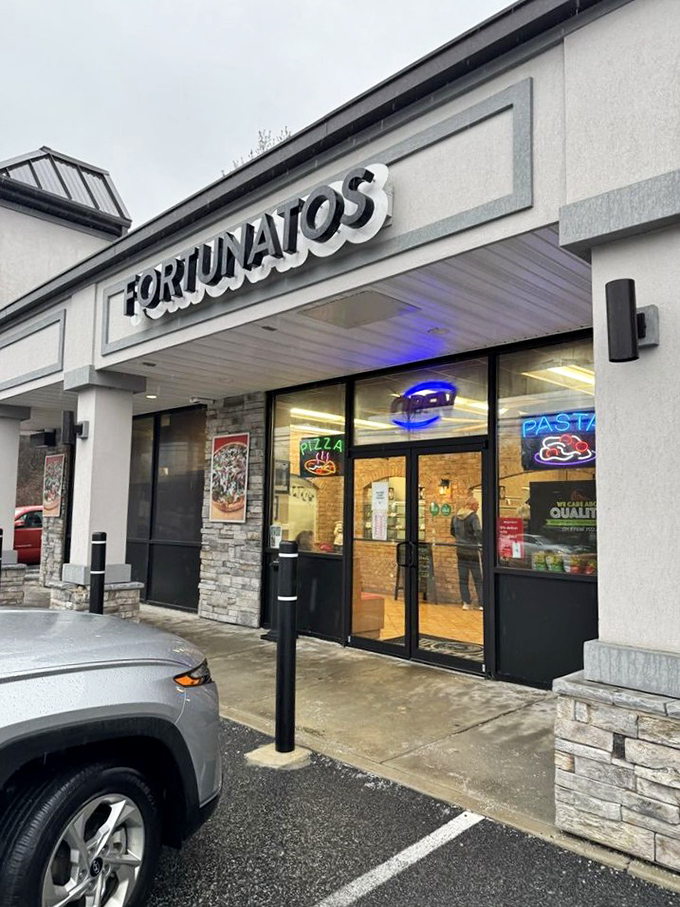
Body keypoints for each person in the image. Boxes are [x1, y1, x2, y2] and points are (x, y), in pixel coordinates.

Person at [450, 496, 483, 610]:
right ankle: (482, 603)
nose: (478, 507)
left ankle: (466, 602)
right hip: (472, 550)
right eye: (477, 504)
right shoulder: (473, 517)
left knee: (463, 578)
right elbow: (478, 531)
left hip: (460, 550)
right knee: (478, 578)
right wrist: (482, 542)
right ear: (471, 505)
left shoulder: (455, 516)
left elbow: (452, 531)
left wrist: (460, 540)